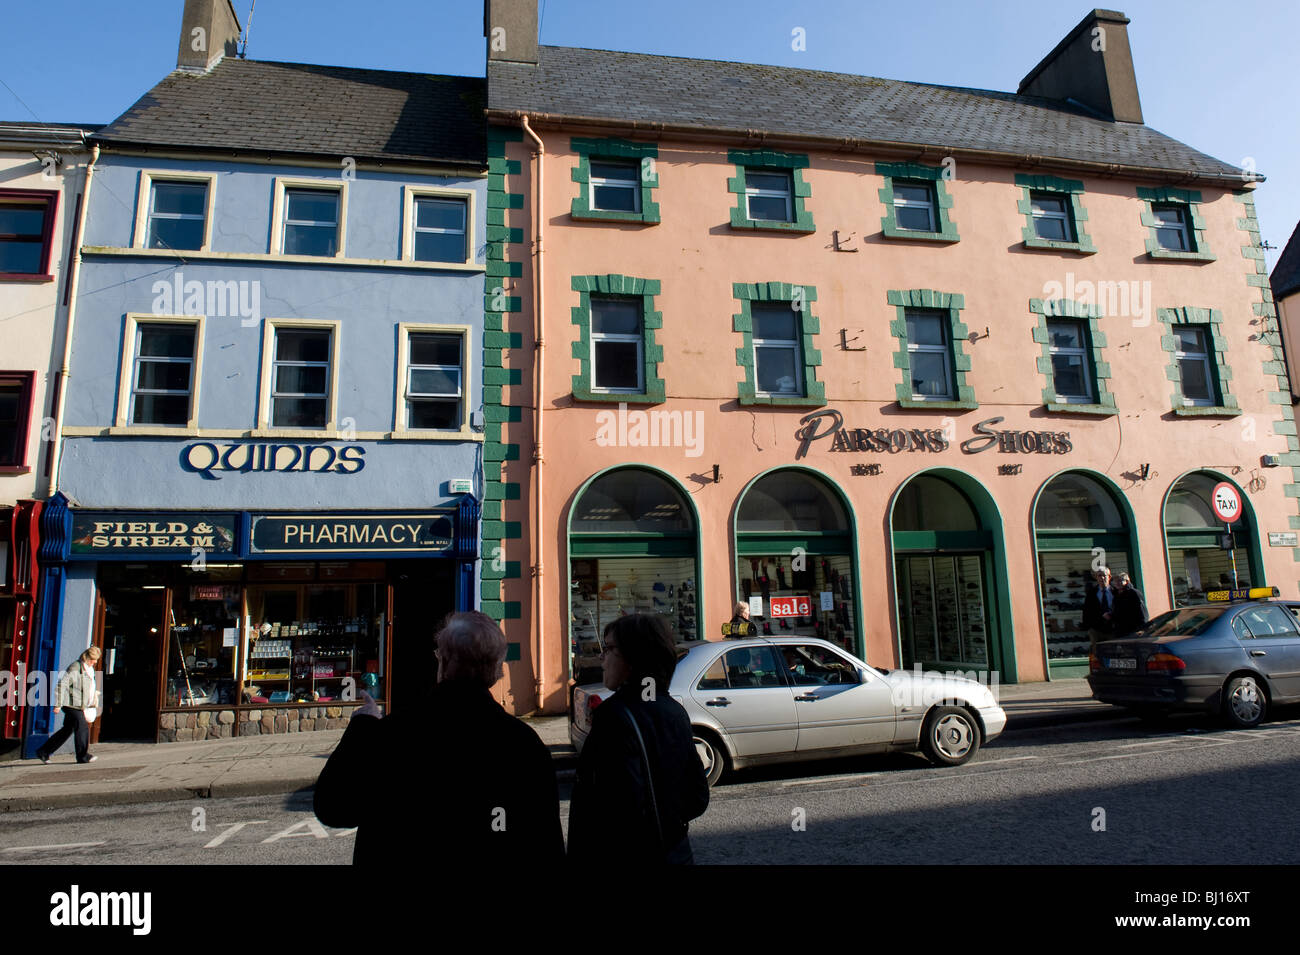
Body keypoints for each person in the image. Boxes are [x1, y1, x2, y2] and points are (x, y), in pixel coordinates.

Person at [313, 611, 563, 866]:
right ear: (496, 669)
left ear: (443, 659)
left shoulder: (394, 734)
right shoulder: (523, 745)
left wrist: (363, 727)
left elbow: (333, 807)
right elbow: (546, 848)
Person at [568, 614, 709, 865]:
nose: (602, 658)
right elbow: (697, 797)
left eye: (610, 648)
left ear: (634, 657)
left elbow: (612, 812)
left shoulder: (614, 717)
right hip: (677, 852)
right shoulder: (675, 711)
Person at [37, 647, 101, 764]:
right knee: (82, 727)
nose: (95, 662)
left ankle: (44, 751)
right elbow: (62, 685)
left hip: (79, 705)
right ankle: (83, 756)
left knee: (67, 730)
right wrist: (58, 704)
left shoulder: (89, 669)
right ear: (86, 657)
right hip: (70, 704)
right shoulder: (75, 668)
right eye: (93, 659)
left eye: (96, 659)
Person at [1082, 567, 1117, 652]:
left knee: (1114, 653)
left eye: (1104, 575)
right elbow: (1087, 611)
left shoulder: (1116, 592)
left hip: (1113, 629)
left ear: (1109, 577)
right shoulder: (1091, 593)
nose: (1102, 578)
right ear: (1096, 578)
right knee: (1097, 654)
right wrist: (1088, 627)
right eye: (1099, 576)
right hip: (1096, 629)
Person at [1112, 573, 1149, 638]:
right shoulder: (1116, 595)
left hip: (1133, 630)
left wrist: (1142, 629)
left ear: (1127, 581)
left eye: (1120, 580)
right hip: (1120, 631)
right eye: (1115, 581)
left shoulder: (1134, 593)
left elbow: (1143, 612)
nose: (1117, 583)